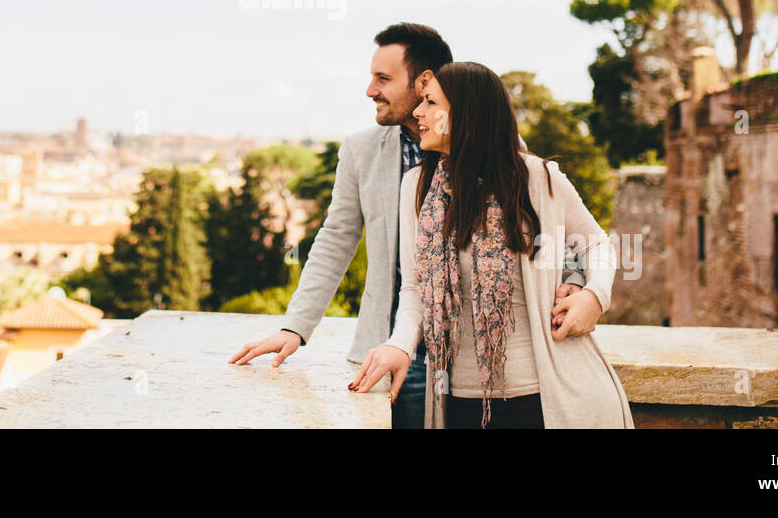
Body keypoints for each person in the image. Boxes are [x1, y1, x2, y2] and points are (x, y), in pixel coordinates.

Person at [229, 25, 592, 428]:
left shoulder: (495, 146)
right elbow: (335, 240)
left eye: (383, 79)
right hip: (391, 349)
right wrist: (294, 327)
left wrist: (576, 283)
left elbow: (552, 227)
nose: (370, 90)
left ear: (422, 83)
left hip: (475, 363)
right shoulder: (360, 151)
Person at [349, 61, 634, 429]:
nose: (418, 112)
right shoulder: (416, 187)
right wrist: (400, 345)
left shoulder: (537, 178)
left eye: (431, 103)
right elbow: (416, 289)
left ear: (467, 114)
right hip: (459, 403)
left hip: (546, 399)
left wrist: (594, 296)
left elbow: (597, 245)